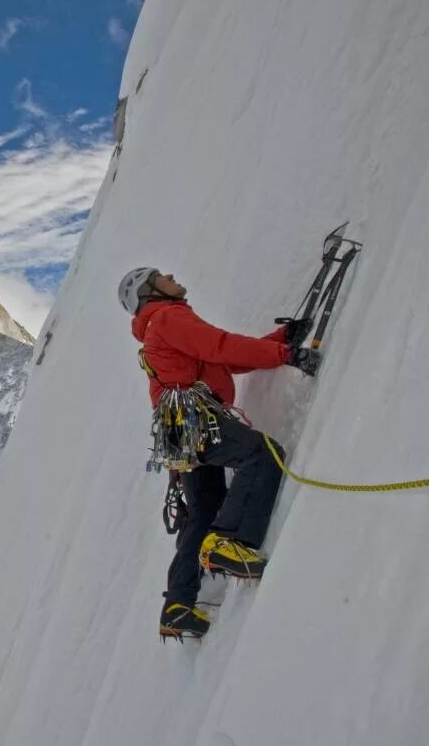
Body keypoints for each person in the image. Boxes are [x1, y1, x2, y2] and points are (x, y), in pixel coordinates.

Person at [117, 267, 319, 640]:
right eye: (159, 275)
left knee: (203, 510)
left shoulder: (157, 329)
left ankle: (178, 605)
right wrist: (288, 354)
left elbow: (220, 359)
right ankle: (231, 542)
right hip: (194, 418)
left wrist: (277, 340)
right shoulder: (168, 317)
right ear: (149, 293)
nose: (171, 275)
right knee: (262, 454)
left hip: (177, 430)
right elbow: (221, 346)